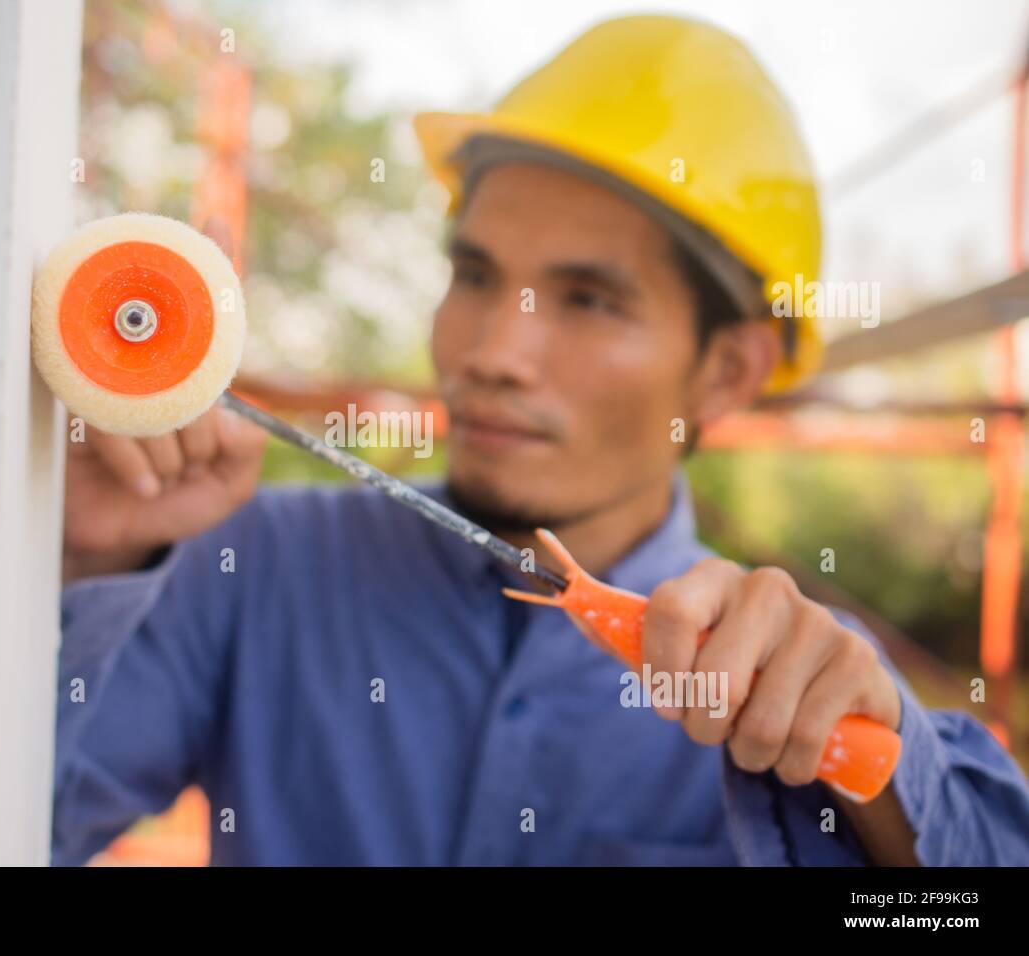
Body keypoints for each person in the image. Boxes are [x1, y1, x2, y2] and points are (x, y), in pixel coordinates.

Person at [52, 15, 1029, 865]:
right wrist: (79, 557)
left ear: (726, 369)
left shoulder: (799, 682)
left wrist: (882, 795)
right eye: (475, 275)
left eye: (588, 300)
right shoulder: (245, 566)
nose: (493, 350)